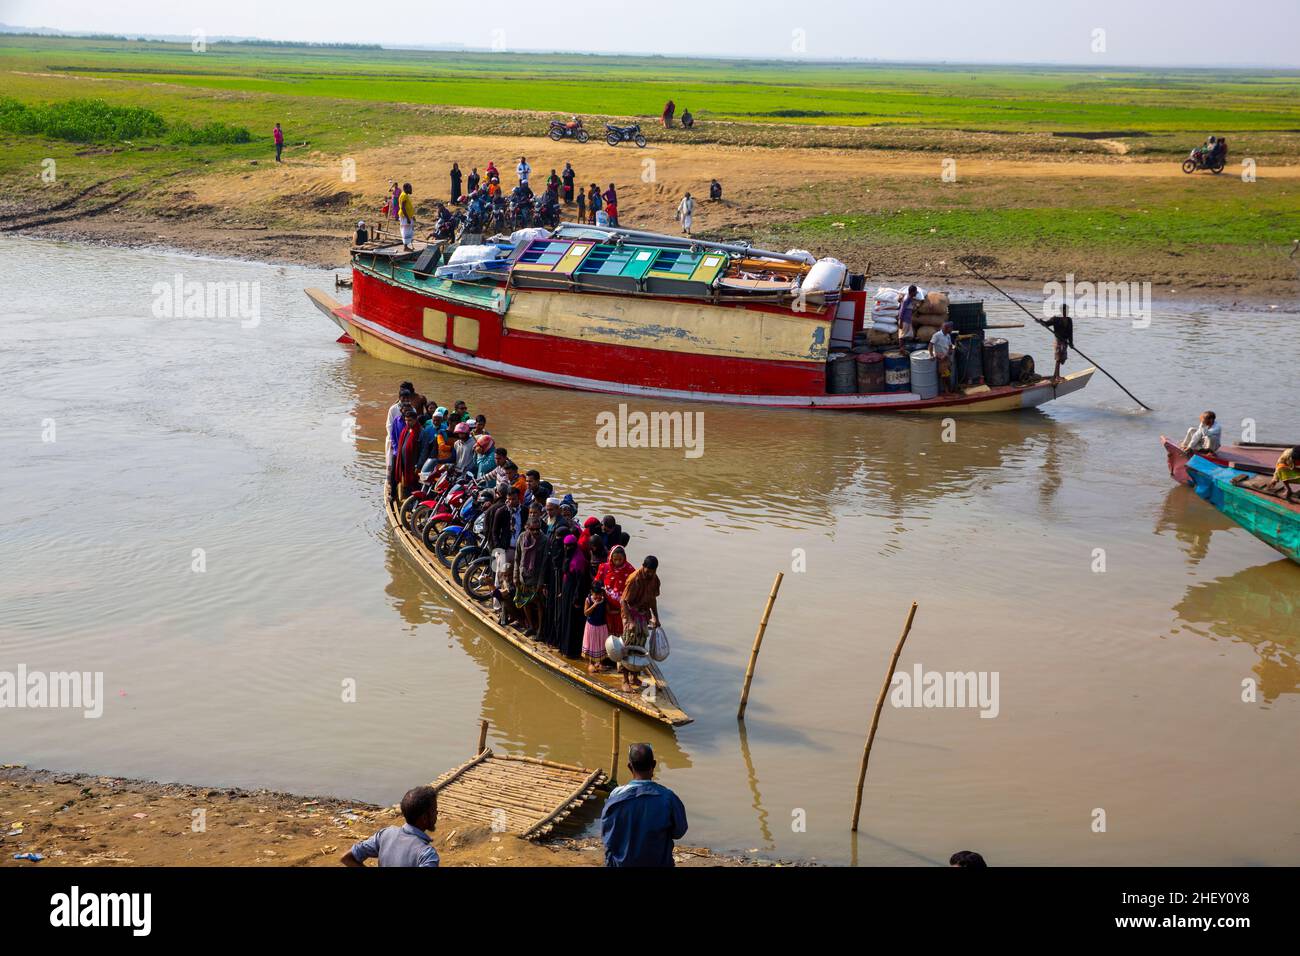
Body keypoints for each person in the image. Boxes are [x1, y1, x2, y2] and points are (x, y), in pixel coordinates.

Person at [600, 743, 687, 868]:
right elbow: (679, 832)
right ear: (654, 765)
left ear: (630, 767)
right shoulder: (668, 798)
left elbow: (607, 835)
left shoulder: (615, 796)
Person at [340, 786, 439, 867]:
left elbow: (347, 858)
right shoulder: (427, 855)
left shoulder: (385, 834)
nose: (437, 813)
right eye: (434, 810)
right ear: (425, 818)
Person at [619, 555, 660, 691]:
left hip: (643, 615)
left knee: (640, 647)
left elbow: (653, 599)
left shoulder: (654, 580)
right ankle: (625, 680)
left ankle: (635, 677)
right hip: (630, 614)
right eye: (648, 571)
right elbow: (623, 601)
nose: (649, 574)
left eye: (652, 572)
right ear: (643, 567)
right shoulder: (634, 579)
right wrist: (629, 621)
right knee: (628, 647)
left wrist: (656, 617)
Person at [513, 514, 546, 636]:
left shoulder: (544, 540)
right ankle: (531, 626)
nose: (536, 532)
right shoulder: (522, 537)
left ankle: (540, 630)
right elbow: (517, 558)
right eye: (533, 529)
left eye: (538, 529)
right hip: (523, 577)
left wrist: (540, 582)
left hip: (536, 578)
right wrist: (515, 576)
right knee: (524, 602)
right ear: (527, 528)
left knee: (539, 604)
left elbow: (544, 564)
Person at [391, 407, 422, 501]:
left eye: (410, 420)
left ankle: (414, 504)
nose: (408, 423)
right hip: (404, 461)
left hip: (413, 464)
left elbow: (423, 450)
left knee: (414, 484)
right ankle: (404, 501)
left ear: (415, 420)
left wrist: (419, 464)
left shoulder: (420, 432)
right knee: (406, 483)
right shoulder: (406, 430)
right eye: (406, 420)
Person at [1042, 303, 1074, 382]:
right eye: (1066, 310)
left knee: (1062, 360)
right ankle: (1057, 376)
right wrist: (1041, 321)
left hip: (1065, 342)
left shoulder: (1069, 320)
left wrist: (1071, 343)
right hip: (1058, 341)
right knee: (1058, 359)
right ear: (1061, 311)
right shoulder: (1056, 319)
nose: (1067, 312)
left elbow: (1070, 333)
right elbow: (1046, 324)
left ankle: (1054, 375)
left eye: (1068, 310)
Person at [929, 319, 956, 393]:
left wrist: (949, 352)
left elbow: (950, 345)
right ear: (947, 328)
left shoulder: (948, 335)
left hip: (946, 358)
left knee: (946, 375)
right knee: (946, 376)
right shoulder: (937, 335)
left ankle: (947, 390)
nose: (952, 329)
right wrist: (932, 355)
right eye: (951, 328)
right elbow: (930, 345)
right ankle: (948, 391)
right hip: (940, 359)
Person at [896, 284, 920, 350]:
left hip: (908, 320)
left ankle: (904, 348)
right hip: (904, 320)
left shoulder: (910, 298)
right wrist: (900, 321)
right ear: (912, 292)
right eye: (915, 292)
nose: (916, 293)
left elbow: (909, 309)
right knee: (902, 336)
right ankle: (901, 349)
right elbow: (902, 310)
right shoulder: (906, 299)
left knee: (907, 335)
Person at [398, 182, 416, 250]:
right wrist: (408, 218)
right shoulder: (404, 195)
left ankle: (407, 246)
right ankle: (405, 247)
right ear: (406, 189)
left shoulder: (405, 195)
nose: (411, 189)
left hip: (407, 216)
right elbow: (403, 207)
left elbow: (407, 207)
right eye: (410, 188)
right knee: (406, 231)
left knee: (409, 230)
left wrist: (411, 216)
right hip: (405, 217)